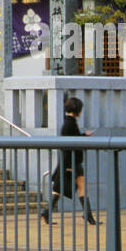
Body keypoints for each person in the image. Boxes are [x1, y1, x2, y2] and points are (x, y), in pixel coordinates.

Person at [40, 96, 98, 225]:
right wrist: (69, 166)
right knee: (68, 187)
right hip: (71, 161)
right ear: (77, 109)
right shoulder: (70, 124)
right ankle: (87, 215)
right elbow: (70, 143)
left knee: (63, 187)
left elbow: (73, 139)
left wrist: (83, 135)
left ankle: (47, 211)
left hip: (71, 161)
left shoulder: (69, 122)